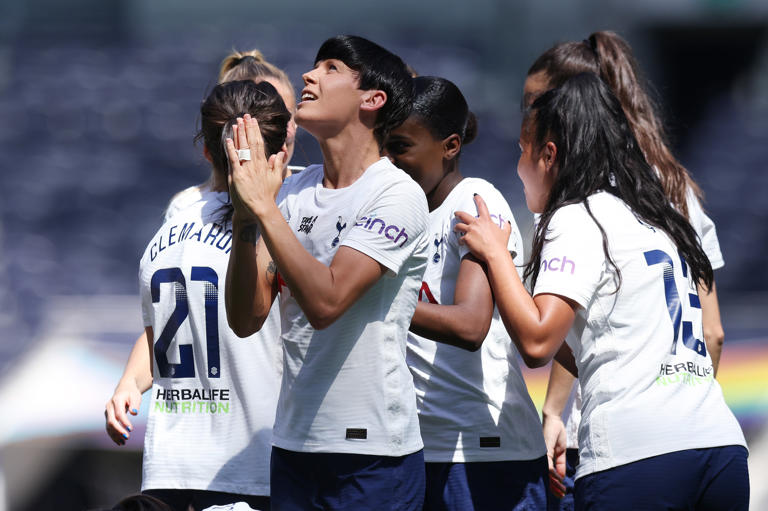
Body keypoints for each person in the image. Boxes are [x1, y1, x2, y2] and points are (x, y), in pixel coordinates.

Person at [455, 73, 748, 509]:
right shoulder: (656, 216)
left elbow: (538, 341)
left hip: (639, 457)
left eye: (522, 151)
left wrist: (497, 257)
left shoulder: (577, 216)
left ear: (548, 155)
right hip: (720, 447)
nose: (518, 166)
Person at [522, 31, 730, 508]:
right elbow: (712, 332)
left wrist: (554, 409)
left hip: (612, 444)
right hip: (704, 438)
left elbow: (564, 326)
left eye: (536, 101)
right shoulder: (671, 187)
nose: (528, 115)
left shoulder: (577, 199)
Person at [224, 35, 429, 510]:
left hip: (372, 454)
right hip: (294, 445)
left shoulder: (396, 194)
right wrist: (243, 221)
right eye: (314, 66)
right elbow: (246, 317)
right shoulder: (291, 192)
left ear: (372, 99)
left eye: (331, 67)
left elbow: (327, 303)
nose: (308, 77)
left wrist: (263, 209)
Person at [104, 79, 291, 511]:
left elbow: (159, 330)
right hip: (249, 464)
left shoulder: (171, 225)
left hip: (169, 463)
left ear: (206, 150)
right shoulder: (284, 220)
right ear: (278, 152)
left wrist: (129, 382)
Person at [384, 75, 548, 510]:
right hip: (420, 450)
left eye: (401, 146)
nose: (389, 159)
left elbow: (471, 324)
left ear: (450, 146)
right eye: (383, 146)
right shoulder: (400, 213)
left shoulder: (475, 201)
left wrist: (375, 301)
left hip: (484, 453)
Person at [166, 49, 300, 219]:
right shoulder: (186, 207)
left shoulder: (311, 192)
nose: (260, 137)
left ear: (296, 119)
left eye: (283, 117)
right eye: (253, 119)